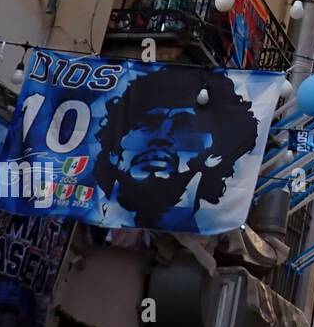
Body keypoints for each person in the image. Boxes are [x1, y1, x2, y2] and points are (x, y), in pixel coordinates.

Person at [92, 67, 261, 231]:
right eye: (147, 124)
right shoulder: (91, 220)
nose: (160, 138)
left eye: (184, 125)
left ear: (216, 153)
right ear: (115, 150)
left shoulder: (218, 230)